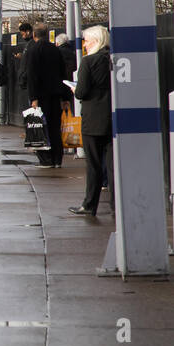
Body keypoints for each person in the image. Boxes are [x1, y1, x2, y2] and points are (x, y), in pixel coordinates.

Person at [70, 25, 113, 216]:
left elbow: (81, 92)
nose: (85, 45)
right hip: (112, 117)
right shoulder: (113, 60)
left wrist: (74, 89)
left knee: (94, 164)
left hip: (93, 119)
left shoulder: (88, 62)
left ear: (95, 41)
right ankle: (116, 205)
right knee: (112, 165)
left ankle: (89, 205)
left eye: (86, 41)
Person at [22, 22, 64, 168]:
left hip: (41, 96)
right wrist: (64, 97)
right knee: (54, 127)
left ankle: (46, 159)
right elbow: (62, 73)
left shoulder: (33, 50)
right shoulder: (56, 50)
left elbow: (32, 76)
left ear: (34, 35)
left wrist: (33, 98)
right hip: (55, 95)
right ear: (47, 34)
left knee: (40, 127)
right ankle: (57, 158)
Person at [55, 32, 76, 116]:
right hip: (72, 83)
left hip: (61, 84)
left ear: (57, 43)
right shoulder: (74, 53)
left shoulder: (57, 53)